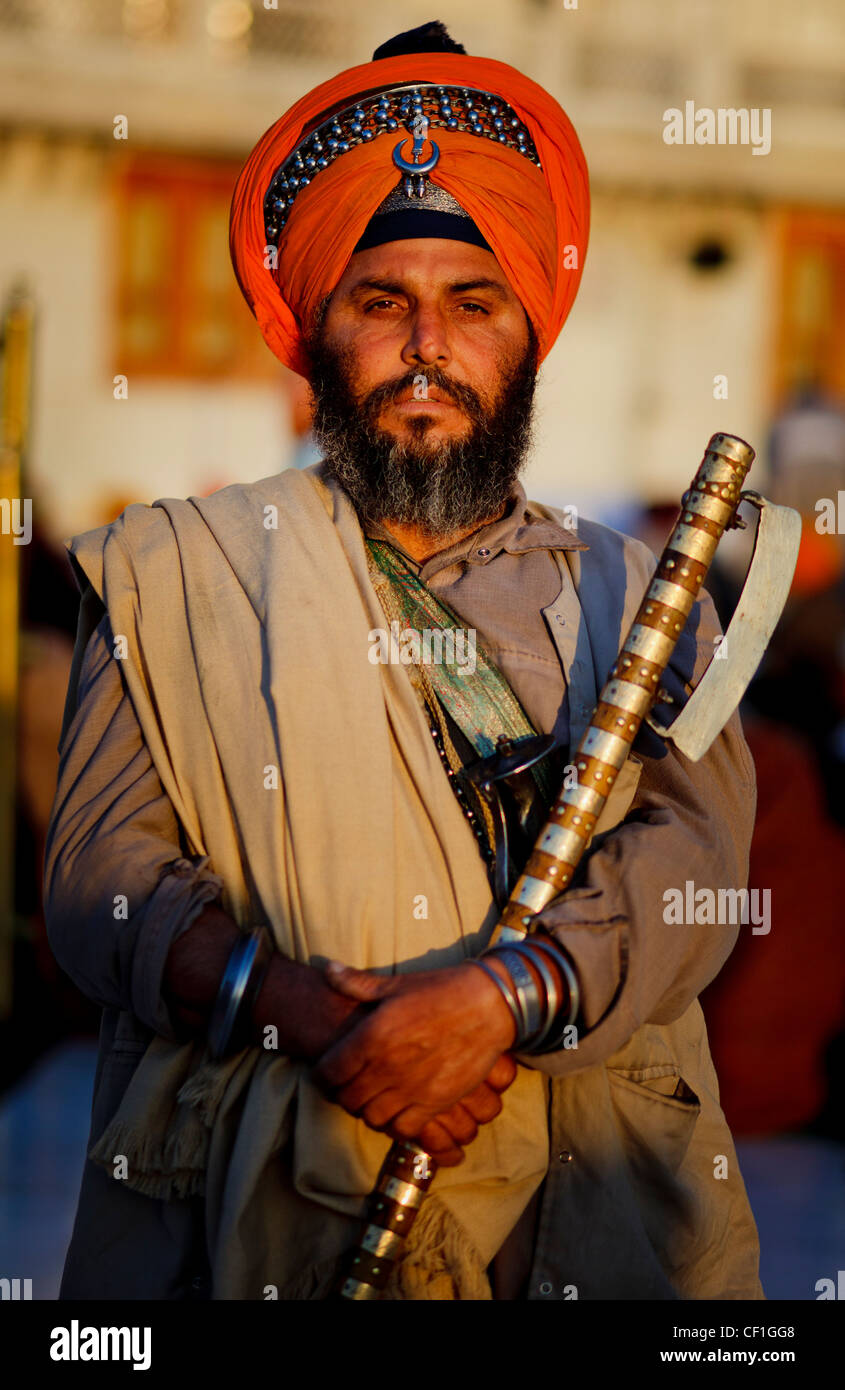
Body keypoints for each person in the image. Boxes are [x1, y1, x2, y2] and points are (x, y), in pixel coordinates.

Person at [45, 21, 763, 1300]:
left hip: (586, 1216)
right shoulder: (175, 575)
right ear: (321, 333)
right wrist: (315, 1017)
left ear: (524, 335)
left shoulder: (646, 597)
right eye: (382, 303)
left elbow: (695, 861)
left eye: (470, 304)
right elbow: (99, 877)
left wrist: (500, 1003)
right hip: (257, 1201)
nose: (427, 345)